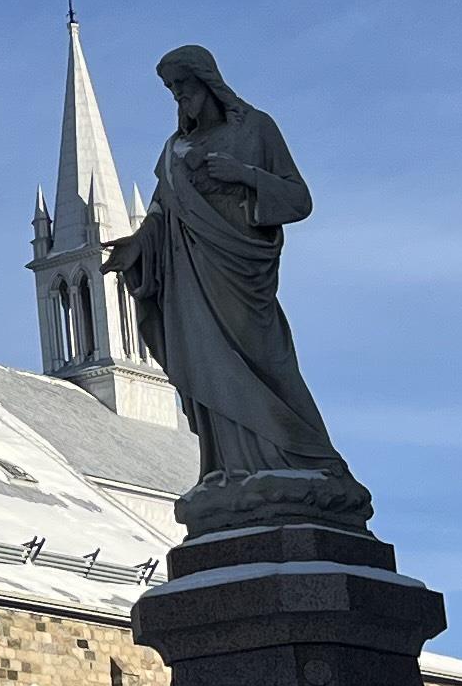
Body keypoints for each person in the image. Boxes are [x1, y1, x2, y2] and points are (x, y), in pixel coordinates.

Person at [107, 46, 371, 530]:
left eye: (184, 85)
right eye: (171, 90)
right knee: (207, 365)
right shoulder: (173, 150)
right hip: (191, 278)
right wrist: (138, 246)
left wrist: (243, 175)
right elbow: (162, 214)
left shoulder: (255, 129)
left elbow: (298, 199)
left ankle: (307, 460)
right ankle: (228, 469)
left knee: (266, 361)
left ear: (209, 82)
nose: (179, 97)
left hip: (241, 272)